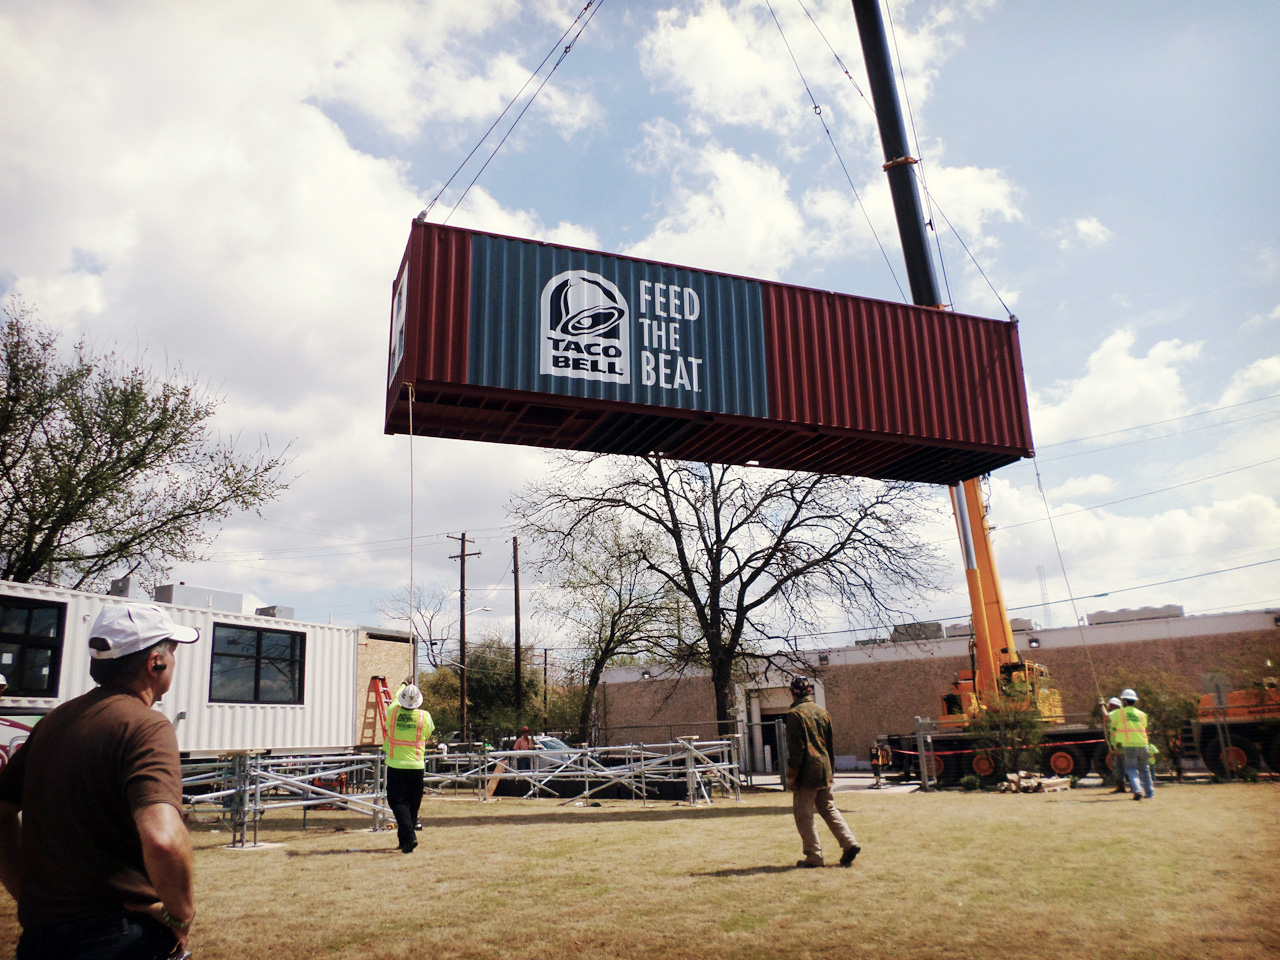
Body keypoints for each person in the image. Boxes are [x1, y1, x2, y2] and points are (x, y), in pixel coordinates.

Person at [0, 602, 199, 960]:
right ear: (155, 663)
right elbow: (164, 839)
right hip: (121, 939)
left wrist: (27, 895)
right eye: (172, 652)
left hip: (38, 940)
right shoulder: (146, 726)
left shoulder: (52, 723)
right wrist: (180, 914)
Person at [784, 676, 860, 868]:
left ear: (792, 692)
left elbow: (796, 750)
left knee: (804, 814)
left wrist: (791, 775)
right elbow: (830, 746)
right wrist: (830, 771)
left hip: (806, 773)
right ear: (810, 691)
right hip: (824, 769)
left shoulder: (794, 715)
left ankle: (814, 856)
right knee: (828, 808)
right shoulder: (823, 713)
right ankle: (849, 841)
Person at [383, 683, 434, 853]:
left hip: (396, 764)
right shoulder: (424, 716)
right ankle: (405, 841)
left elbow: (394, 702)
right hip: (416, 766)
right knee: (412, 804)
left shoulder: (393, 712)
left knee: (397, 801)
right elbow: (428, 733)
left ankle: (410, 837)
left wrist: (402, 685)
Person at [1112, 688, 1155, 801]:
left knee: (1131, 768)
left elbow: (1106, 716)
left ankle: (1137, 790)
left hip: (1129, 745)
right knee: (1145, 769)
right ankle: (1150, 793)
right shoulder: (1142, 714)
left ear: (1125, 701)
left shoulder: (1119, 712)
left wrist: (1101, 705)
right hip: (1143, 744)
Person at [1102, 696, 1130, 794]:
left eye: (1109, 706)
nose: (1108, 707)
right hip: (1119, 745)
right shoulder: (1119, 714)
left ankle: (1134, 787)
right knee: (1120, 768)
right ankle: (1121, 787)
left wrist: (1101, 705)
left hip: (1121, 745)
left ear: (1113, 706)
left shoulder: (1117, 713)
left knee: (1127, 767)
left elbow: (1106, 716)